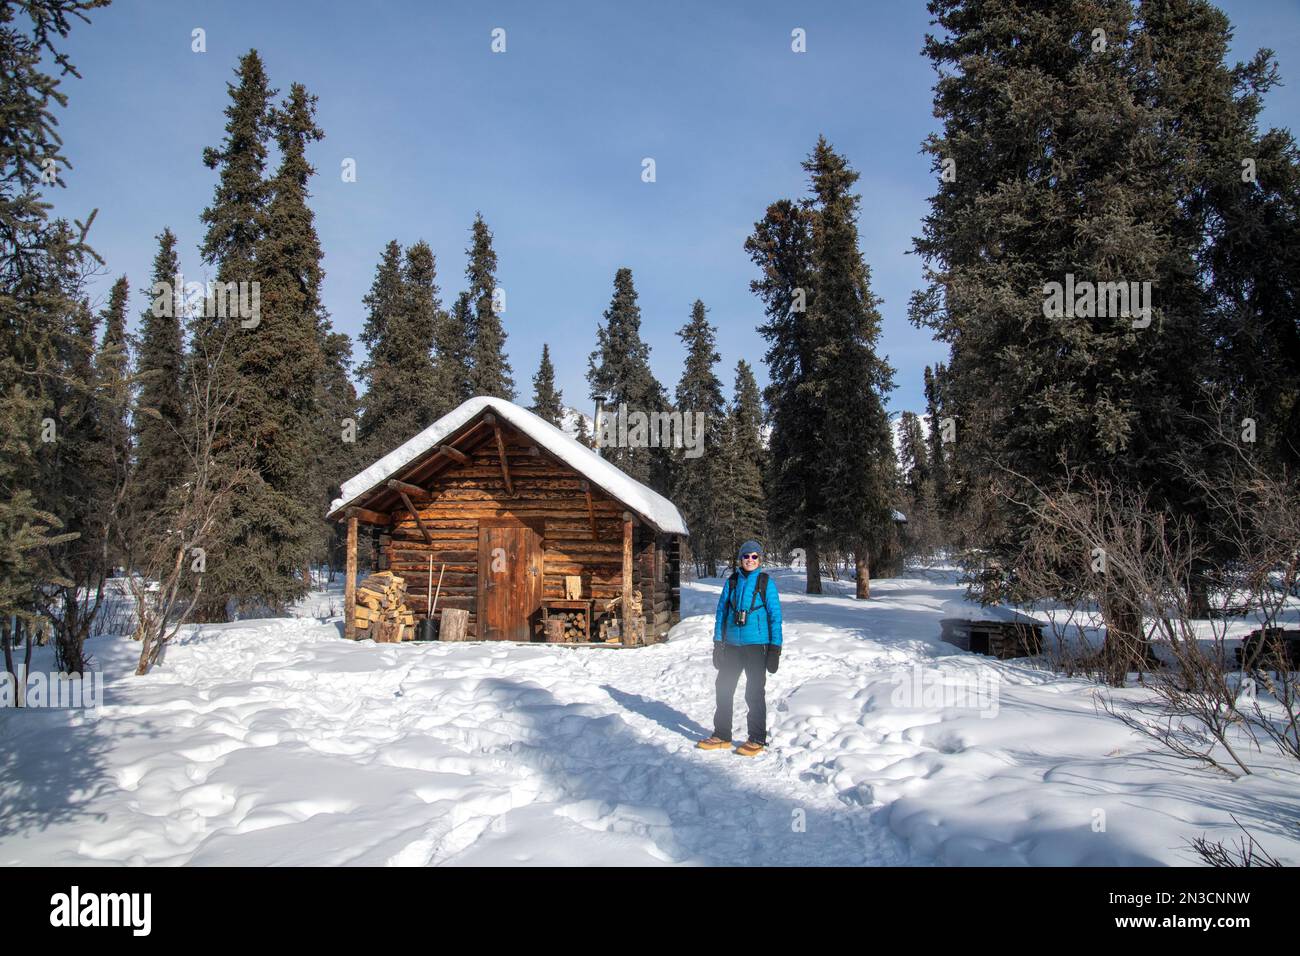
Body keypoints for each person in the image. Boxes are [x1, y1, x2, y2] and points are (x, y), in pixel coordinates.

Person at [697, 539, 783, 756]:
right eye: (746, 556)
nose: (750, 560)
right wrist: (718, 643)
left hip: (757, 645)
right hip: (732, 645)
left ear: (760, 559)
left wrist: (775, 648)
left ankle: (757, 738)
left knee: (754, 691)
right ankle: (722, 735)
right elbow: (721, 613)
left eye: (755, 556)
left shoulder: (765, 583)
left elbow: (775, 617)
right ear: (740, 559)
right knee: (723, 687)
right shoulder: (732, 582)